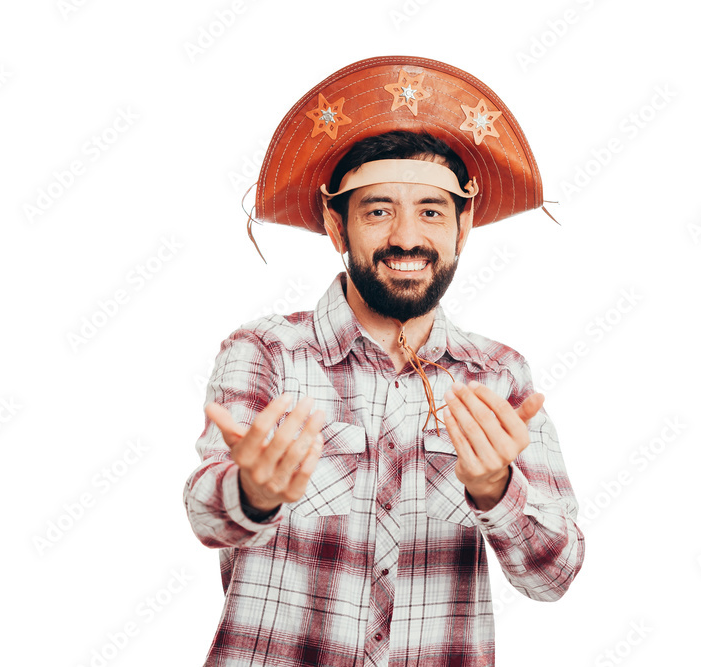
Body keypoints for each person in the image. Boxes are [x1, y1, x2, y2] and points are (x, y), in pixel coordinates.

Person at [184, 56, 584, 667]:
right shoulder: (267, 352)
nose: (405, 237)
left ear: (463, 226)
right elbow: (207, 514)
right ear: (336, 224)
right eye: (377, 211)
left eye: (430, 210)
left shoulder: (500, 376)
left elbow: (554, 576)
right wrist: (254, 491)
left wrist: (496, 489)